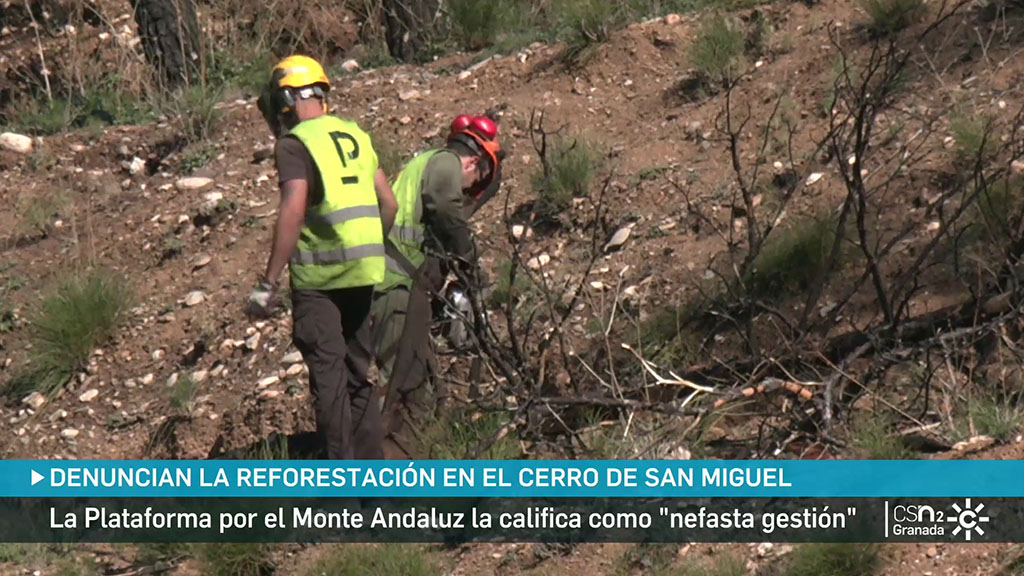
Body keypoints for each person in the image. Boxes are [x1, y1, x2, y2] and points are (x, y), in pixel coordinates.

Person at [247, 54, 399, 460]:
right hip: (364, 273)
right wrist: (368, 247)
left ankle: (342, 492)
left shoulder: (295, 145)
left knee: (329, 381)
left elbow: (293, 211)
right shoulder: (355, 135)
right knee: (358, 376)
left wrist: (268, 283)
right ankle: (376, 487)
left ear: (288, 98)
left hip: (320, 283)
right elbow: (389, 203)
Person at [370, 114, 503, 455]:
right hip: (394, 283)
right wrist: (472, 266)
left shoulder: (420, 168)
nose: (469, 190)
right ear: (473, 161)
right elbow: (445, 209)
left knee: (423, 384)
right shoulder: (444, 162)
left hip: (401, 285)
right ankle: (385, 481)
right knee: (404, 389)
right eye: (475, 180)